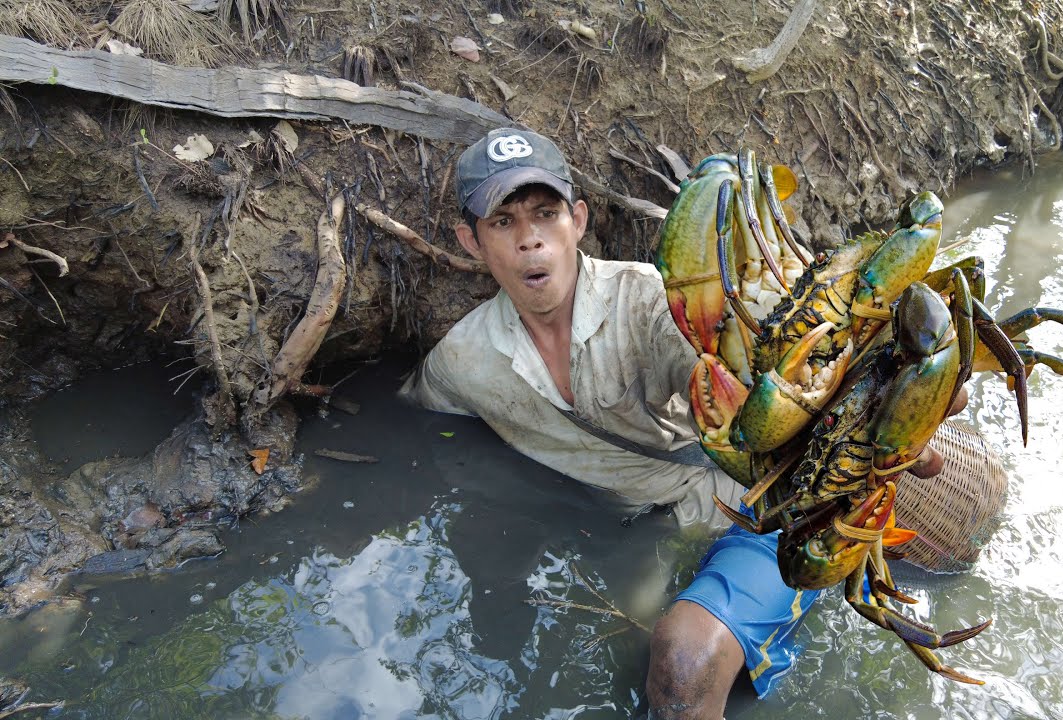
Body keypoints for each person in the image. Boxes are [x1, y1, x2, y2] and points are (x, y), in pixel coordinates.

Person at [399, 127, 969, 719]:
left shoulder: (654, 302)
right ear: (471, 240)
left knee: (681, 664)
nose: (530, 241)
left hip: (773, 511)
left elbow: (754, 374)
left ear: (579, 220)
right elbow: (412, 429)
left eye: (546, 214)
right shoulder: (464, 362)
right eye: (503, 222)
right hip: (644, 527)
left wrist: (901, 413)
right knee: (631, 644)